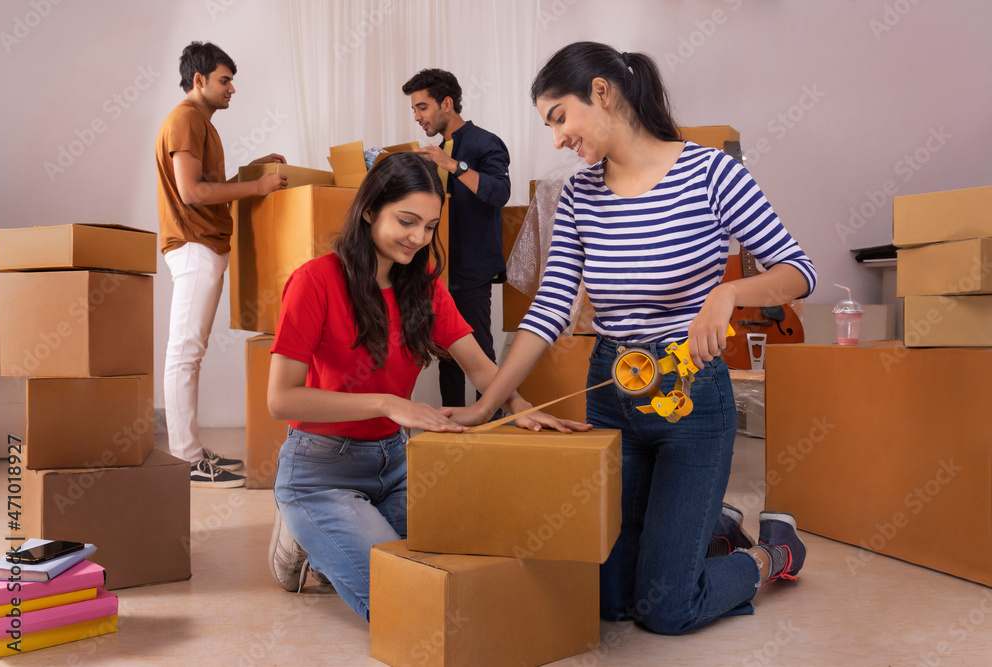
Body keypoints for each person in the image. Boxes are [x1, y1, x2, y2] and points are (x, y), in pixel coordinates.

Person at [448, 42, 818, 634]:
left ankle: (773, 554)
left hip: (691, 402)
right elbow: (547, 310)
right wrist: (487, 408)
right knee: (608, 599)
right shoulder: (578, 195)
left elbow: (799, 271)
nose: (556, 138)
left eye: (558, 117)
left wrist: (726, 295)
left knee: (666, 610)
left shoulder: (712, 173)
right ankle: (709, 522)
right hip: (613, 397)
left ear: (602, 91)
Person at [265, 152, 585, 620]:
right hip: (321, 471)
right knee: (410, 605)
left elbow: (479, 366)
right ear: (371, 210)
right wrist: (387, 403)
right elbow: (280, 399)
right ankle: (303, 527)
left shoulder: (425, 287)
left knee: (467, 570)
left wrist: (516, 403)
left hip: (395, 466)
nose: (419, 238)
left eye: (430, 226)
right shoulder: (316, 281)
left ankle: (325, 537)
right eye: (407, 221)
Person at [156, 41, 289, 488]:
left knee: (189, 352)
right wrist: (257, 188)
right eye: (225, 80)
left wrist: (254, 173)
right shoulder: (188, 119)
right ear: (200, 80)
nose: (232, 89)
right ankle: (187, 458)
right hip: (193, 245)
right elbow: (191, 193)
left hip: (205, 244)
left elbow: (209, 187)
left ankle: (191, 452)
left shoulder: (202, 125)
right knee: (185, 353)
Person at [401, 69, 510, 409]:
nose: (417, 117)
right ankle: (452, 423)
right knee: (446, 351)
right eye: (414, 110)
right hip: (438, 268)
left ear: (446, 103)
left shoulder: (483, 142)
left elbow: (500, 193)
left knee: (478, 349)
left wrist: (452, 165)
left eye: (422, 107)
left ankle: (490, 426)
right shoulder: (437, 149)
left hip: (472, 268)